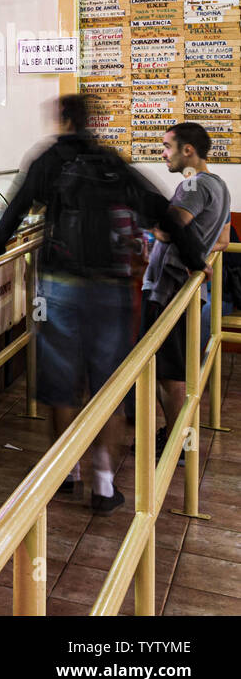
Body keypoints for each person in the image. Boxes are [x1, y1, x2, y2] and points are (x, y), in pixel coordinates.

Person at [0, 95, 167, 515]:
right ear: (95, 120)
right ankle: (103, 485)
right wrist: (194, 258)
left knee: (60, 382)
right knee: (108, 386)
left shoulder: (48, 158)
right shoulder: (112, 161)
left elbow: (14, 209)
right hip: (110, 288)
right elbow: (157, 206)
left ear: (63, 118)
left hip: (57, 286)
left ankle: (67, 473)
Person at [142, 122, 231, 463]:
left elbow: (171, 227)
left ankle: (176, 440)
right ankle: (174, 433)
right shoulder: (219, 185)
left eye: (167, 146)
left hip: (168, 287)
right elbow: (222, 240)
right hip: (184, 290)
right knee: (172, 367)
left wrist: (151, 223)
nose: (163, 153)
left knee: (169, 371)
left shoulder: (193, 185)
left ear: (188, 150)